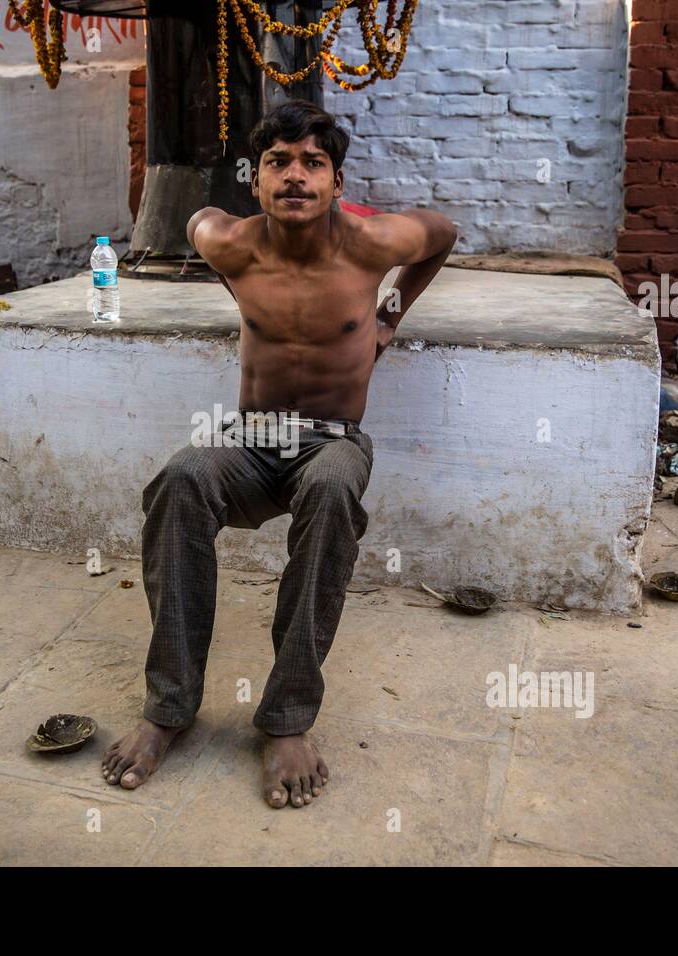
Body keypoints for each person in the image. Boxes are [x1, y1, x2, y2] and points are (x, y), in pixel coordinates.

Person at [102, 99, 457, 809]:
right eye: (277, 163)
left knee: (329, 493)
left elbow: (444, 235)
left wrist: (387, 317)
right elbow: (197, 221)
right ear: (255, 182)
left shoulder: (372, 243)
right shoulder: (226, 241)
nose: (295, 175)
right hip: (251, 441)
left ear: (336, 181)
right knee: (179, 479)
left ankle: (289, 718)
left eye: (312, 163)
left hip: (333, 442)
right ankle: (168, 707)